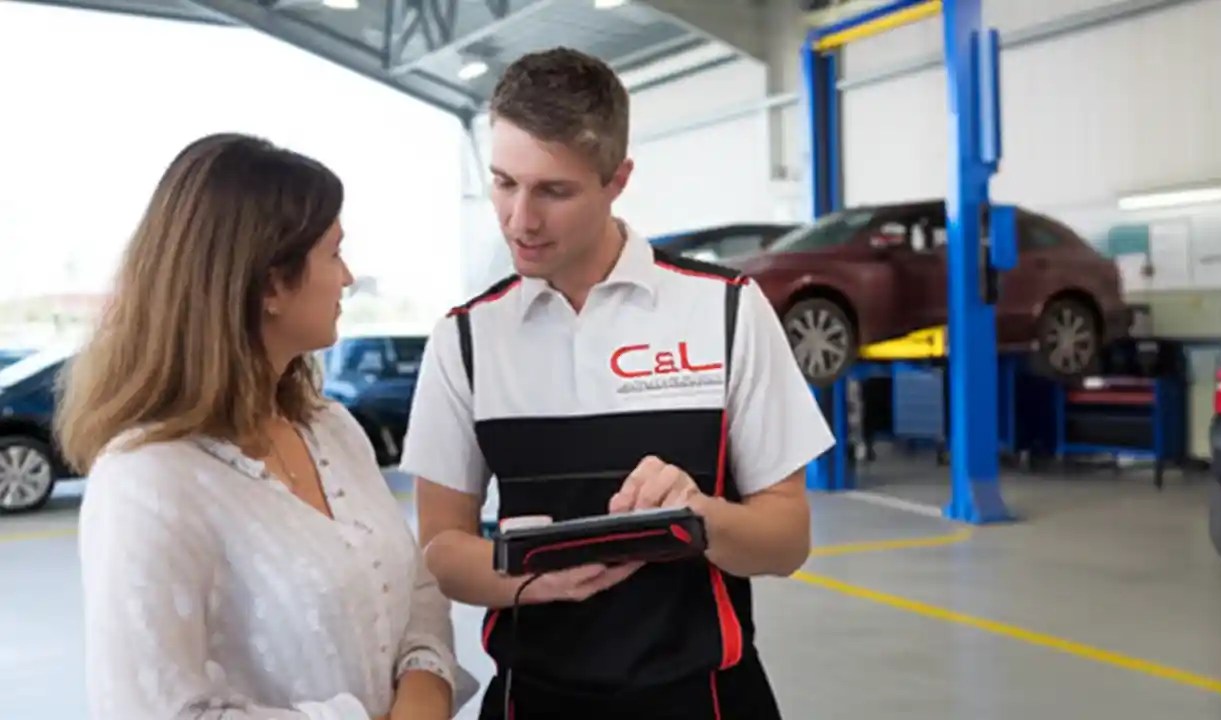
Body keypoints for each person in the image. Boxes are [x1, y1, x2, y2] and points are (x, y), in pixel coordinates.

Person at [402, 48, 835, 719]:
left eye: (553, 190)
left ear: (617, 179)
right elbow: (441, 549)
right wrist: (530, 581)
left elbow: (788, 540)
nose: (520, 219)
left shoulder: (725, 310)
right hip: (531, 701)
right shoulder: (466, 339)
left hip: (708, 700)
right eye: (503, 183)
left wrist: (700, 518)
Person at [59, 133, 477, 720]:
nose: (348, 277)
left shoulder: (331, 429)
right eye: (333, 253)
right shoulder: (147, 480)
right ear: (272, 284)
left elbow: (415, 595)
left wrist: (423, 696)